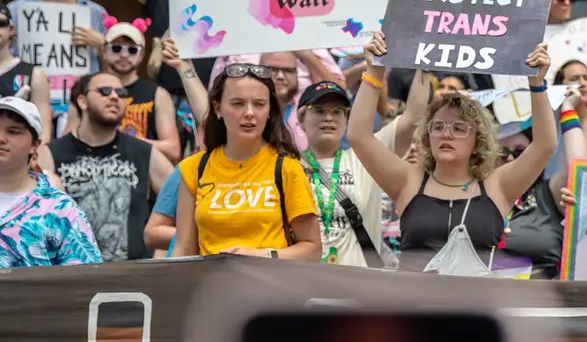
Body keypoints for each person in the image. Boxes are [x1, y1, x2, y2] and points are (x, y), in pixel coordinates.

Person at [349, 33, 556, 273]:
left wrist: (537, 83)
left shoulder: (498, 185)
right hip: (412, 307)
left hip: (471, 308)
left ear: (477, 141)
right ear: (427, 137)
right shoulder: (408, 180)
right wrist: (374, 72)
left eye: (458, 128)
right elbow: (358, 136)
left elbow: (544, 145)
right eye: (438, 127)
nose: (446, 134)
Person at [174, 64, 322, 260]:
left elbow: (312, 248)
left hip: (269, 286)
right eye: (238, 104)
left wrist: (262, 255)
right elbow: (184, 249)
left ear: (270, 110)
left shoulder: (287, 167)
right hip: (211, 287)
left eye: (260, 104)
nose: (249, 113)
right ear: (218, 108)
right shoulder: (194, 168)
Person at [41, 71, 170, 262]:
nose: (115, 97)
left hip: (136, 276)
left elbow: (183, 201)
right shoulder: (51, 153)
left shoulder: (144, 152)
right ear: (82, 101)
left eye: (121, 93)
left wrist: (162, 252)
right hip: (73, 274)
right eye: (105, 91)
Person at [299, 75, 426, 267]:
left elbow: (413, 117)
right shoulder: (285, 165)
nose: (328, 117)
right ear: (301, 118)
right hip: (302, 285)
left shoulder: (365, 158)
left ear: (347, 119)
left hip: (358, 287)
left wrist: (423, 61)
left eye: (337, 111)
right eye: (318, 110)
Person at [9, 0, 108, 124]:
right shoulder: (16, 11)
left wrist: (102, 43)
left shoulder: (95, 12)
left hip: (81, 106)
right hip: (28, 104)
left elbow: (118, 64)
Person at [0, 96, 100, 268]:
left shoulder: (60, 209)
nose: (1, 138)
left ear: (34, 145)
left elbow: (86, 281)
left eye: (13, 131)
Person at [94, 17, 180, 163]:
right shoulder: (90, 90)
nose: (124, 55)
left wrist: (123, 141)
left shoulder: (158, 94)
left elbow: (173, 149)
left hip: (143, 174)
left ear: (141, 56)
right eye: (116, 48)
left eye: (132, 50)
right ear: (104, 52)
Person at [0, 0, 52, 134]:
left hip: (17, 151)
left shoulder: (34, 74)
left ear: (11, 29)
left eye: (1, 23)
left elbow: (44, 131)